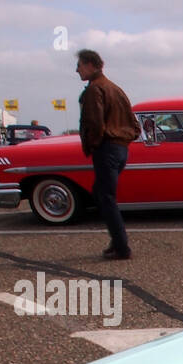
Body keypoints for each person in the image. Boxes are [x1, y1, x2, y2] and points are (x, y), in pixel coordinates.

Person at [76, 49, 139, 259]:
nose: (77, 70)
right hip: (121, 148)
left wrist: (93, 144)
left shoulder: (96, 89)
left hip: (107, 147)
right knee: (101, 194)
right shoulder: (115, 88)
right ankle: (117, 241)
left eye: (79, 65)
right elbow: (134, 124)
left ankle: (121, 247)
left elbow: (94, 122)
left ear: (90, 65)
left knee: (105, 197)